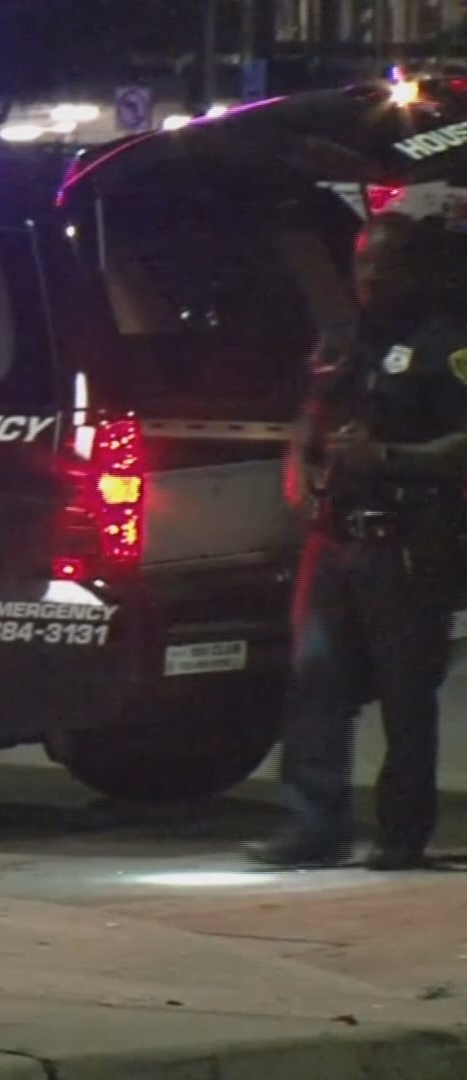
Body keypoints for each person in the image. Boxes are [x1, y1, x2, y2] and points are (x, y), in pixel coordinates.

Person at [249, 181, 467, 871]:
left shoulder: (450, 345)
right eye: (364, 264)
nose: (371, 277)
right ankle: (312, 828)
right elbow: (310, 412)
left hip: (408, 540)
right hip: (335, 538)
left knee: (406, 693)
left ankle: (401, 835)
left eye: (385, 265)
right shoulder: (344, 339)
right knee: (315, 683)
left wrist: (391, 456)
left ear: (419, 269)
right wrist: (299, 460)